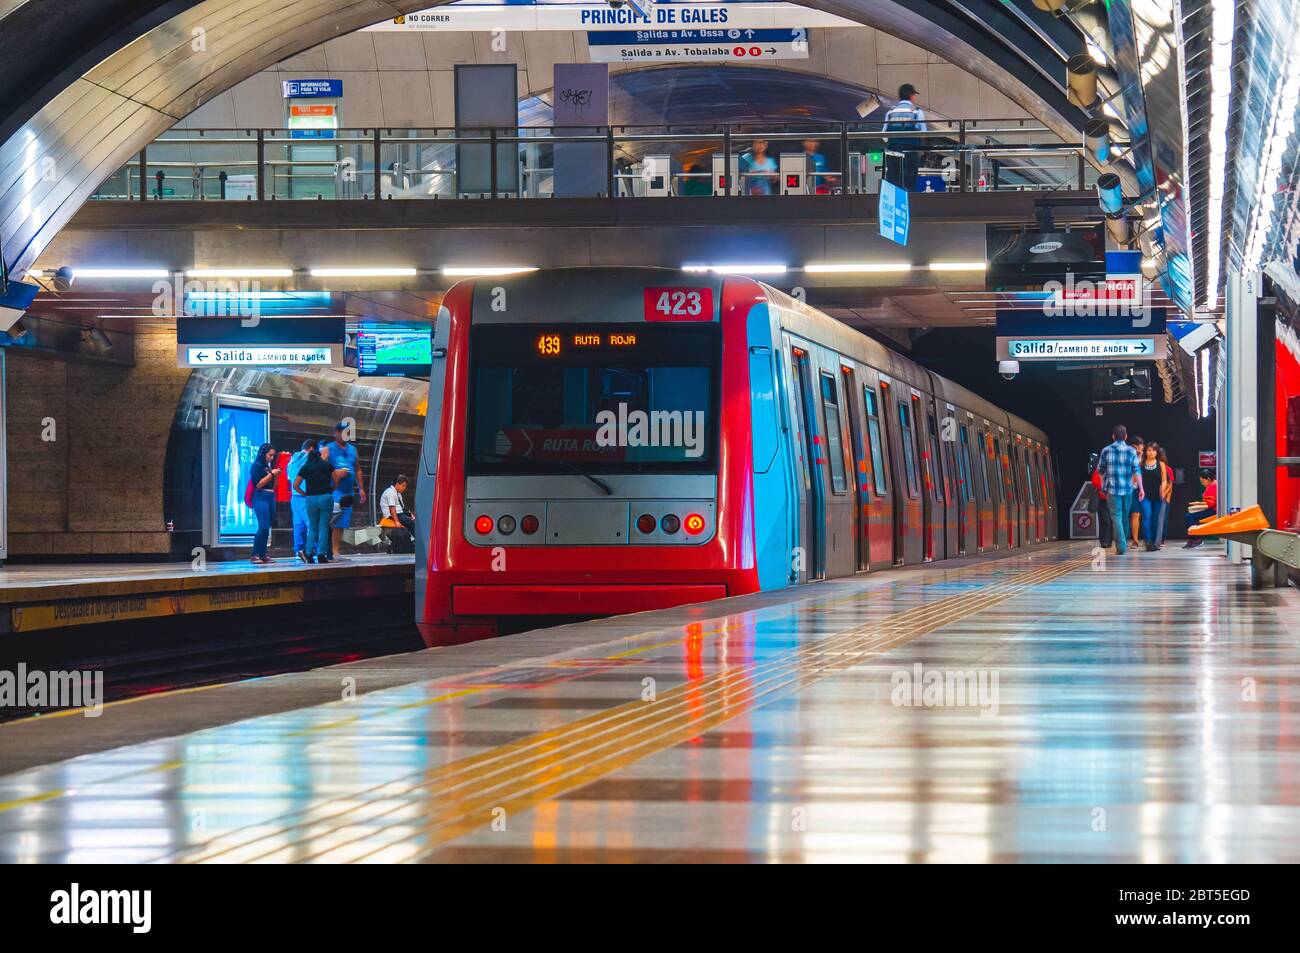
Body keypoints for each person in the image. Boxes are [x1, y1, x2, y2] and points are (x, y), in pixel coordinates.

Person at [1096, 424, 1140, 555]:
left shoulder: (1106, 450)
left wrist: (1104, 483)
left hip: (1112, 490)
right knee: (1124, 516)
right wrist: (1139, 487)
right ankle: (1123, 543)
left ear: (1113, 436)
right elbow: (1136, 470)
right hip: (1128, 490)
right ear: (1126, 436)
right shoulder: (1131, 451)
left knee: (1116, 517)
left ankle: (1121, 545)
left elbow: (1100, 470)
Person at [326, 422, 366, 559]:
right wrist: (335, 472)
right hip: (334, 491)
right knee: (333, 520)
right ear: (336, 433)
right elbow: (320, 467)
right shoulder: (328, 449)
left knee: (342, 523)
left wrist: (361, 488)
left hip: (348, 491)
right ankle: (327, 550)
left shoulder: (353, 450)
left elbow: (358, 468)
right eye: (342, 432)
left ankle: (335, 551)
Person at [292, 439, 335, 564]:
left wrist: (304, 494)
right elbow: (336, 478)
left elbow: (295, 485)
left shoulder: (305, 466)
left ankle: (309, 553)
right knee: (323, 526)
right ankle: (321, 554)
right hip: (326, 497)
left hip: (310, 498)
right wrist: (332, 489)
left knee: (312, 527)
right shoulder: (327, 465)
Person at [882, 83, 927, 191]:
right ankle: (908, 204)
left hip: (893, 152)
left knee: (893, 182)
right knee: (909, 183)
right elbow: (924, 133)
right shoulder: (916, 112)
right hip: (911, 152)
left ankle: (895, 205)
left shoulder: (891, 112)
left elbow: (884, 135)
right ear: (911, 96)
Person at [249, 442, 279, 564]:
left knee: (267, 527)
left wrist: (275, 474)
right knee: (263, 526)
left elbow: (274, 485)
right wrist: (272, 474)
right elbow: (258, 484)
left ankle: (263, 553)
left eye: (273, 456)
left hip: (270, 496)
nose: (271, 458)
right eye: (270, 455)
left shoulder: (268, 466)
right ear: (263, 454)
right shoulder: (256, 466)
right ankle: (255, 554)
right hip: (260, 497)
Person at [1137, 442, 1169, 551]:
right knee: (1147, 516)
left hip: (1158, 496)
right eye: (1149, 450)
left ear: (1157, 452)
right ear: (1146, 452)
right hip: (1145, 496)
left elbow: (1164, 480)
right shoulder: (1141, 464)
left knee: (1156, 520)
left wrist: (1163, 490)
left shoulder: (1161, 464)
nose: (1151, 452)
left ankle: (1155, 543)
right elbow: (1136, 478)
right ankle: (1148, 542)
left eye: (1154, 450)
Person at [287, 438, 314, 563]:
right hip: (304, 494)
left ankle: (298, 551)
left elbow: (288, 477)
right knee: (311, 524)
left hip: (294, 496)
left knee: (298, 525)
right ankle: (313, 550)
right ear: (312, 448)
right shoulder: (308, 458)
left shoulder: (292, 459)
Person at [1184, 470, 1218, 548]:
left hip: (1214, 511)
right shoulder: (1213, 484)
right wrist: (1198, 503)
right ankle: (1193, 539)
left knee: (1189, 516)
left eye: (1203, 481)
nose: (1202, 483)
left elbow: (1211, 504)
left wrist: (1198, 504)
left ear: (1208, 479)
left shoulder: (1213, 486)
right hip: (1213, 509)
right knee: (1190, 516)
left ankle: (1196, 539)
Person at [1089, 453, 1112, 548]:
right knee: (1104, 519)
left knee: (1110, 520)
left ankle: (1109, 540)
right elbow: (1094, 481)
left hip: (1113, 498)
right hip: (1102, 498)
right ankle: (1104, 540)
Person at [1128, 435, 1147, 545]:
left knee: (1146, 515)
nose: (1137, 449)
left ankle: (1149, 539)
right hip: (1132, 489)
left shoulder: (1147, 458)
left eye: (1139, 446)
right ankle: (1135, 540)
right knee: (1134, 514)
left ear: (1143, 446)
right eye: (1134, 447)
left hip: (1145, 490)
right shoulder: (1128, 458)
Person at [1156, 444, 1174, 546]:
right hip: (1154, 496)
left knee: (1163, 519)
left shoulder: (1167, 469)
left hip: (1164, 498)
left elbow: (1170, 485)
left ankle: (1162, 539)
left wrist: (1165, 496)